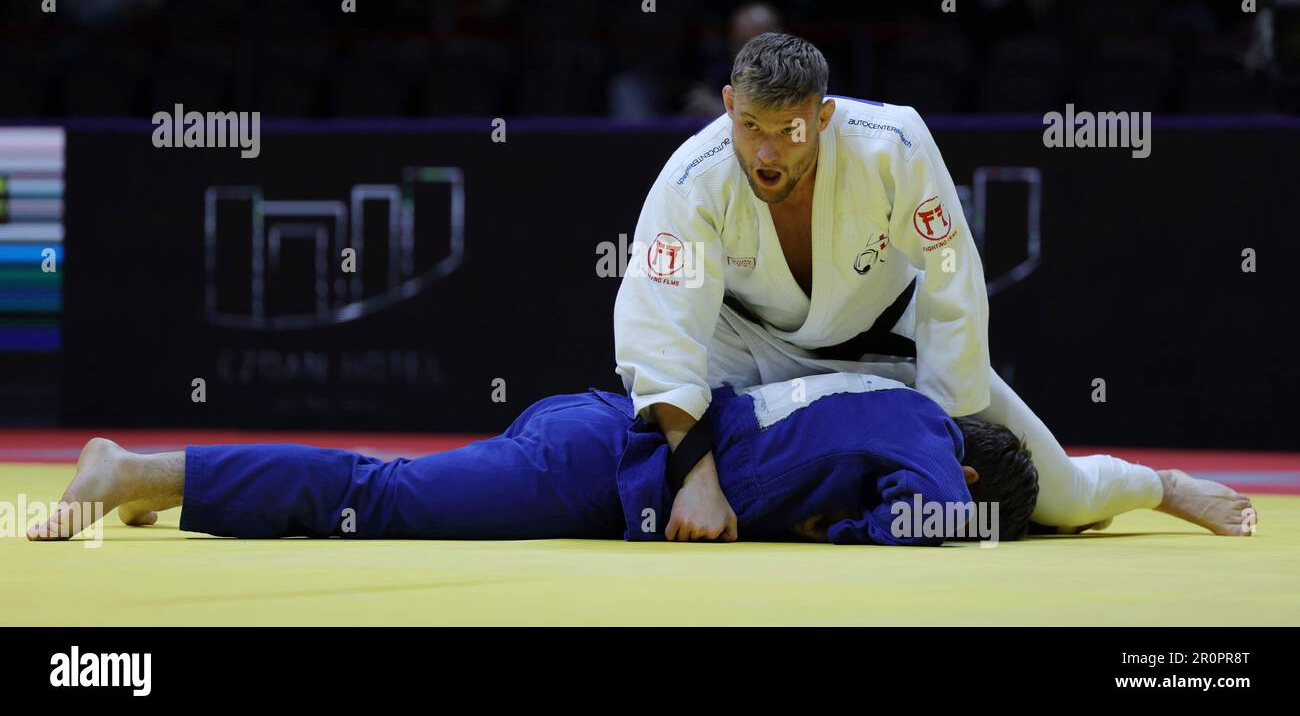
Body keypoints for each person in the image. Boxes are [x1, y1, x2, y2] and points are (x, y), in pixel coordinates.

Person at [614, 32, 1256, 541]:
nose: (767, 154)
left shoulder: (892, 144)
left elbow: (952, 277)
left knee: (1059, 501)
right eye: (752, 126)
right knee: (705, 487)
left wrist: (940, 430)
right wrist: (694, 472)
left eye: (791, 131)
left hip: (892, 346)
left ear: (825, 115)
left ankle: (1161, 487)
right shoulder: (692, 180)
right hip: (751, 358)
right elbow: (658, 325)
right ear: (729, 105)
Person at [27, 373, 1037, 547]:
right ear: (976, 477)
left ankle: (161, 479)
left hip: (606, 447)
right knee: (381, 498)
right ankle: (136, 469)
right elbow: (925, 521)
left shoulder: (883, 400)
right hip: (600, 461)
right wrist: (853, 530)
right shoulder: (927, 440)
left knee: (390, 491)